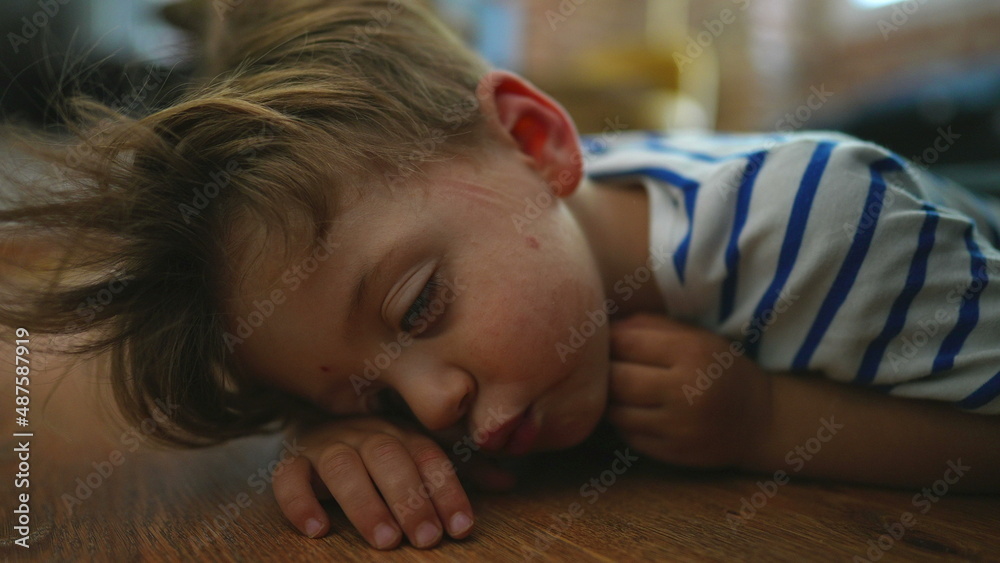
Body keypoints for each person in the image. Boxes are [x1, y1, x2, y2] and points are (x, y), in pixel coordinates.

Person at [1, 0, 998, 552]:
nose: (440, 405)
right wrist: (332, 427)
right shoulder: (504, 210)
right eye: (376, 391)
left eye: (420, 305)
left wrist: (766, 424)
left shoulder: (825, 230)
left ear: (536, 138)